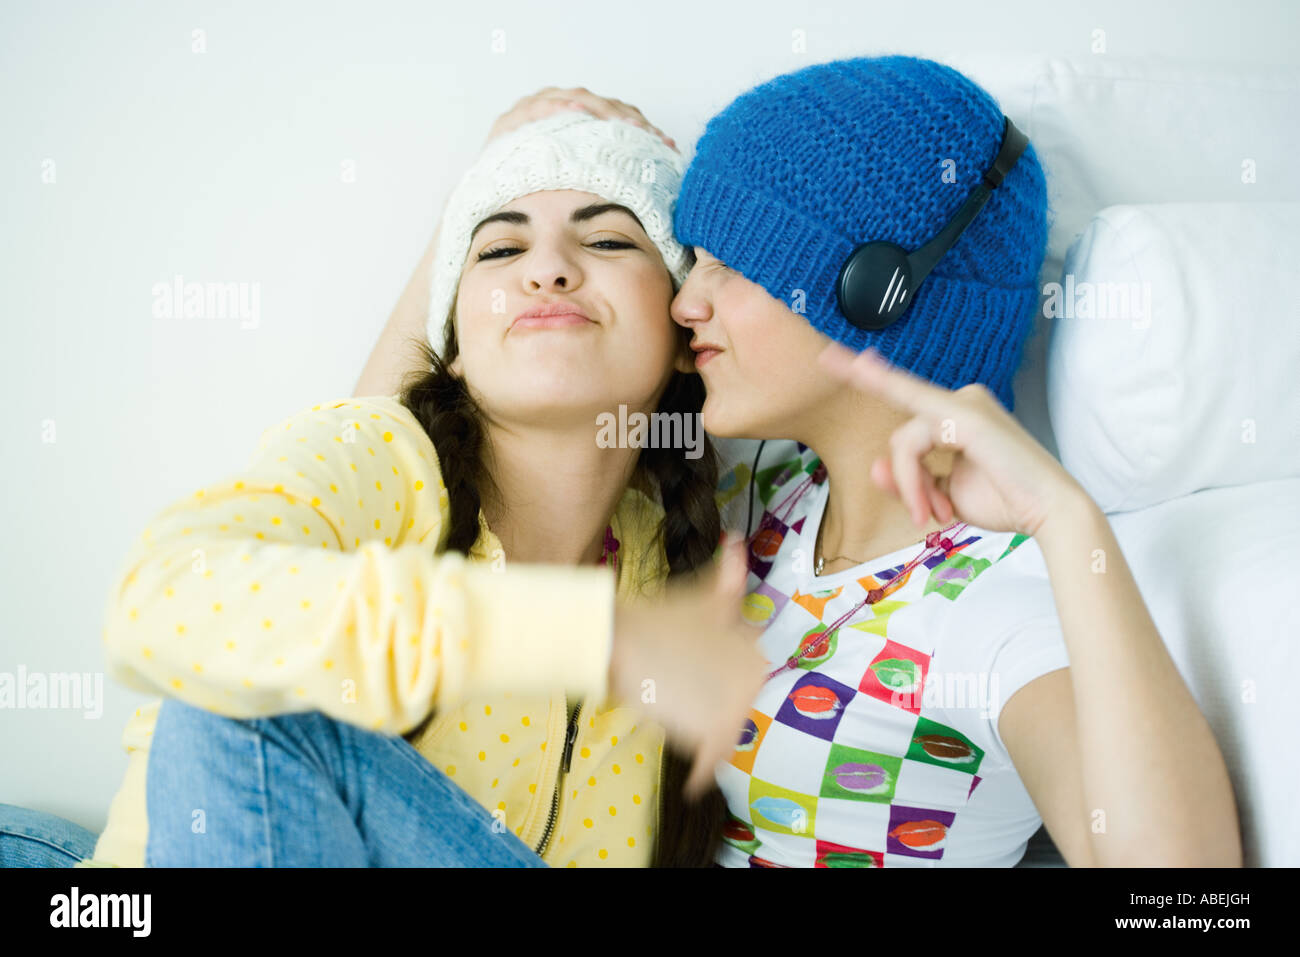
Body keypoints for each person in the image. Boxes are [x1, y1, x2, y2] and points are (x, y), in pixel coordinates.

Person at [360, 59, 1241, 867]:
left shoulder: (992, 606)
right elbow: (377, 459)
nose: (687, 299)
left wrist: (1067, 522)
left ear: (876, 292)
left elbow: (1180, 899)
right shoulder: (756, 496)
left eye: (730, 266)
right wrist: (489, 190)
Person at [73, 108, 768, 869]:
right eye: (500, 248)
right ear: (457, 347)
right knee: (238, 684)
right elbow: (157, 599)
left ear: (681, 337)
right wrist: (587, 636)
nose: (546, 269)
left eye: (606, 239)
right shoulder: (381, 458)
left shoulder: (687, 552)